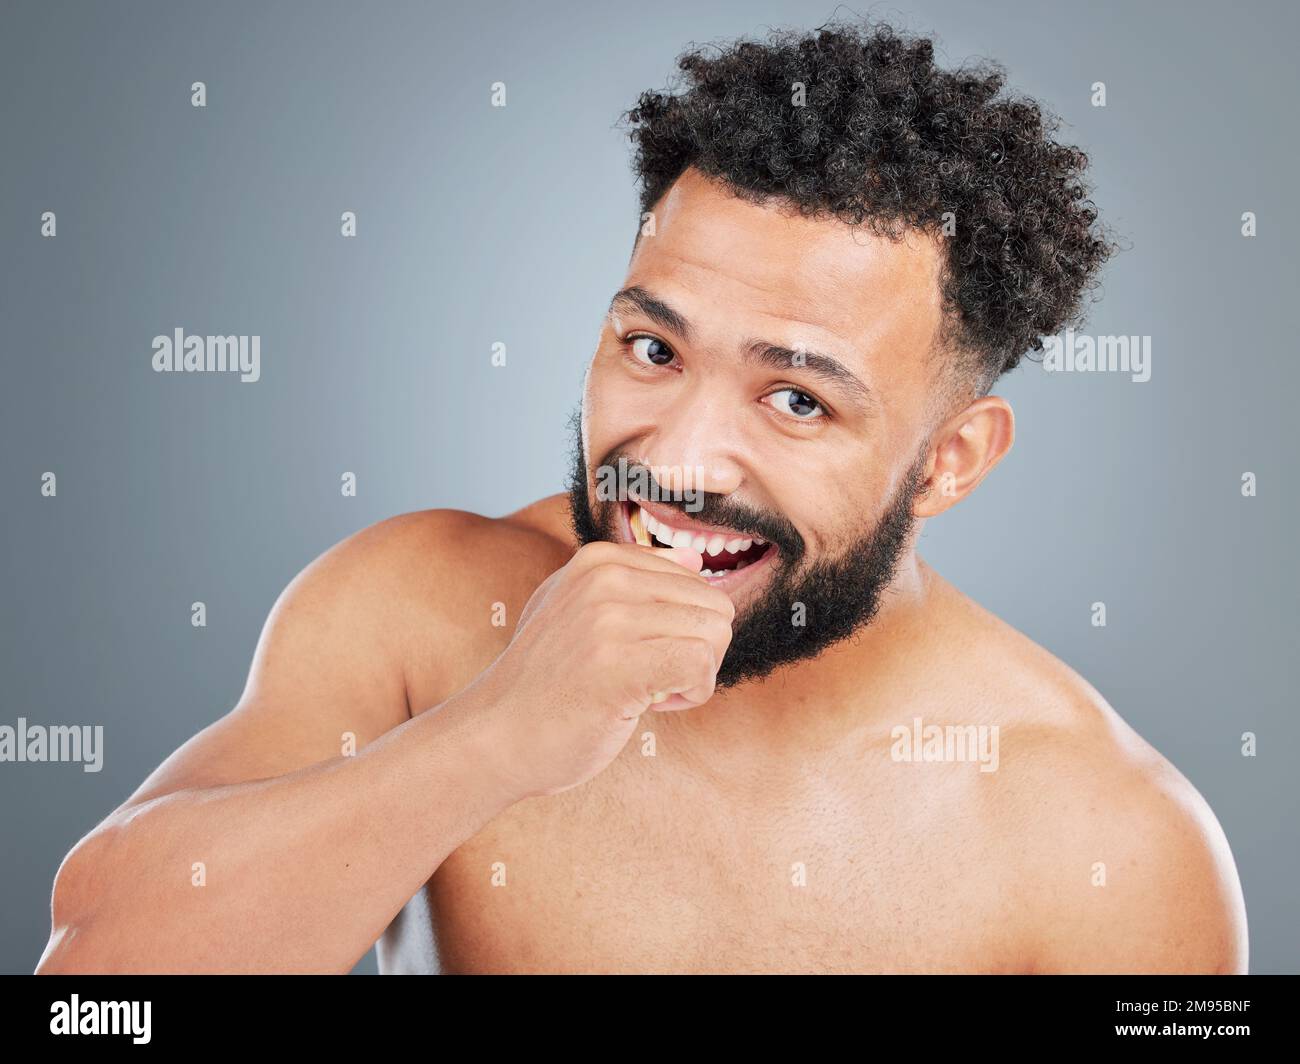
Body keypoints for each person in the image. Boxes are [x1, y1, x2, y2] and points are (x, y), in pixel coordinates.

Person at [36, 19, 1246, 974]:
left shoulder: (1111, 839)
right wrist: (494, 735)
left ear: (950, 459)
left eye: (797, 400)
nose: (677, 462)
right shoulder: (416, 611)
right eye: (653, 352)